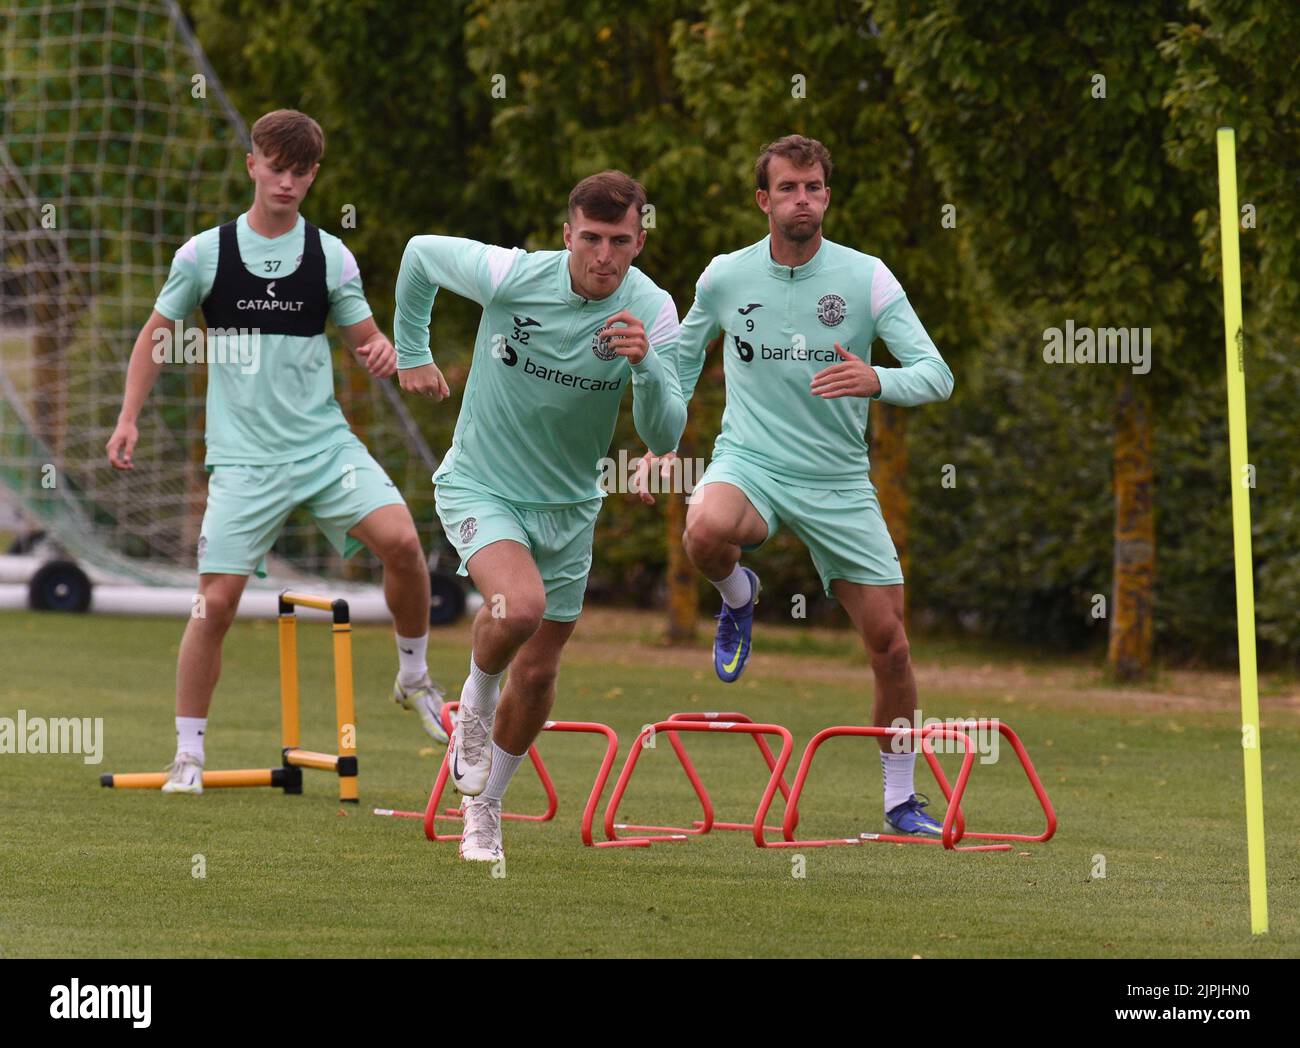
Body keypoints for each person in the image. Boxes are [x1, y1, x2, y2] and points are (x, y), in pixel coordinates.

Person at [105, 109, 447, 795]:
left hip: (324, 448)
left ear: (314, 176)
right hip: (243, 460)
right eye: (276, 167)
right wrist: (128, 417)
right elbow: (155, 335)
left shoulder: (330, 257)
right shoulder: (203, 255)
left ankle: (414, 676)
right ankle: (190, 755)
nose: (286, 182)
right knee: (215, 604)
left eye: (300, 172)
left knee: (405, 544)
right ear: (252, 165)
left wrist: (385, 353)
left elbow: (366, 343)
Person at [638, 134, 955, 836]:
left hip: (840, 482)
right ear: (764, 199)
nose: (802, 199)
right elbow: (680, 366)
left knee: (892, 647)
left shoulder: (868, 278)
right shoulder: (724, 276)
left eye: (813, 187)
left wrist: (879, 378)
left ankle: (900, 801)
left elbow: (937, 374)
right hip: (750, 462)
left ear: (827, 196)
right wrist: (662, 447)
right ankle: (738, 594)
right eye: (788, 188)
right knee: (704, 529)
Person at [394, 170, 685, 861]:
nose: (604, 255)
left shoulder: (654, 310)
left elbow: (667, 433)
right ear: (567, 235)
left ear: (640, 241)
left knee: (541, 671)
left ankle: (485, 809)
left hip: (571, 507)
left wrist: (645, 367)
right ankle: (472, 699)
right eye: (591, 238)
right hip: (482, 487)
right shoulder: (513, 274)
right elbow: (418, 255)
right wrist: (413, 351)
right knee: (517, 609)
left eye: (620, 240)